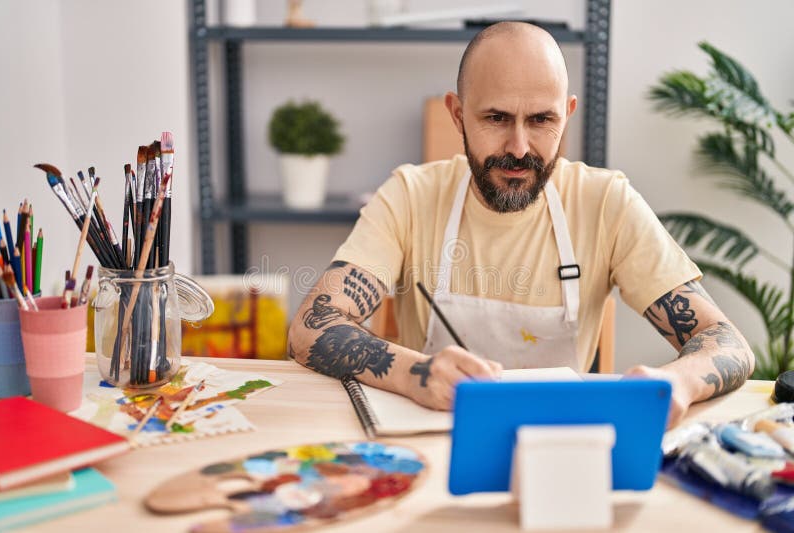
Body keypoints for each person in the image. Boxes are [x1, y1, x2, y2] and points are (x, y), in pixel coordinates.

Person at [287, 21, 754, 427]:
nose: (518, 146)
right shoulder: (410, 196)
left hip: (566, 444)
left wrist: (677, 382)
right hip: (434, 441)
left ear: (566, 115)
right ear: (457, 114)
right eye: (496, 117)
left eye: (541, 120)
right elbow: (311, 327)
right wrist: (416, 374)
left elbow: (727, 343)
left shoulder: (605, 202)